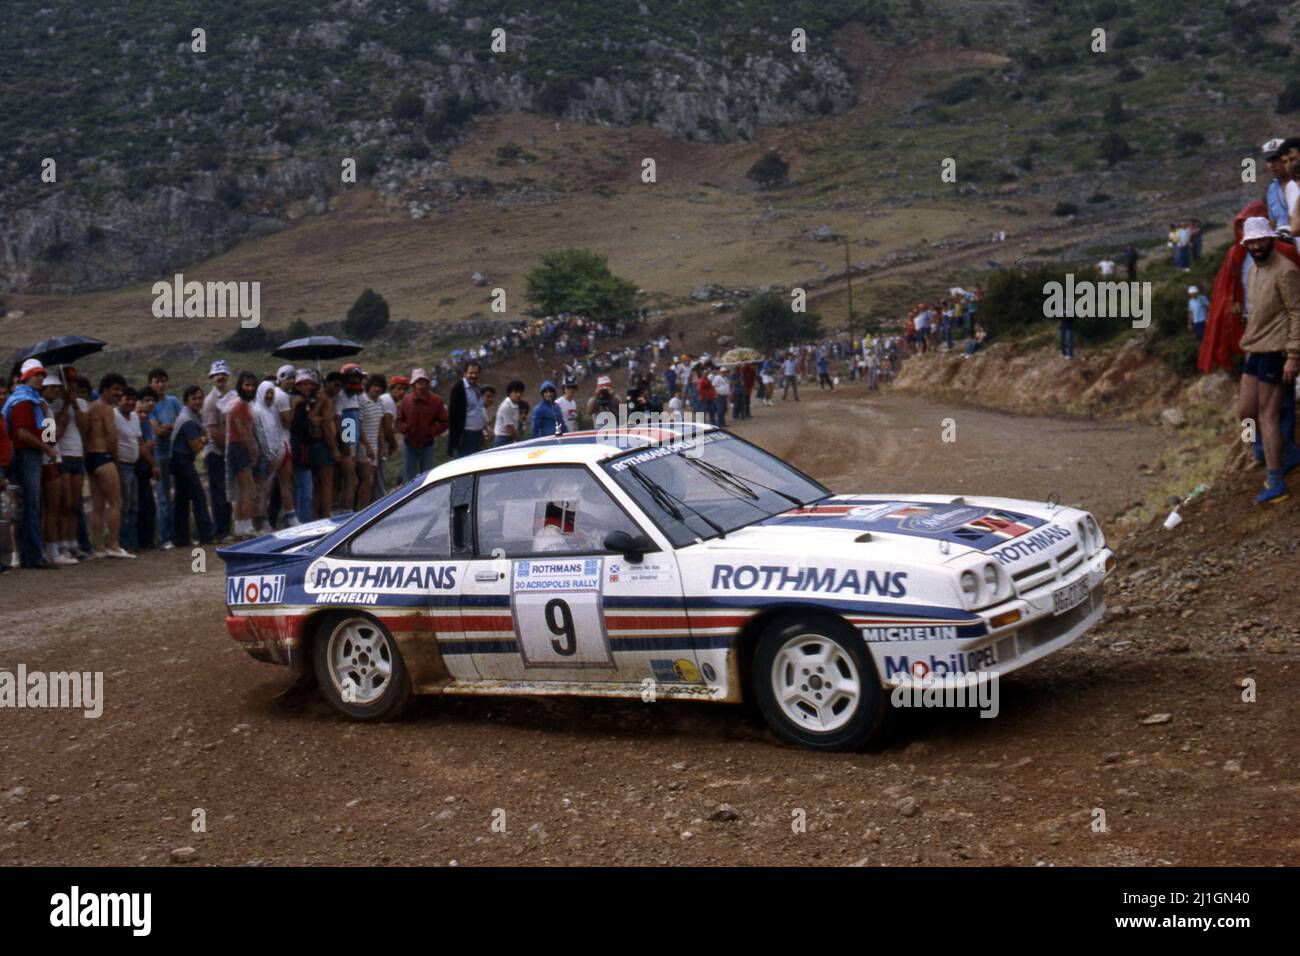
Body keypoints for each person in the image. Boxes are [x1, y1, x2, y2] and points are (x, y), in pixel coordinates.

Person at [1235, 217, 1300, 504]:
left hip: (1277, 351)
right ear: (1246, 244)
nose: (1258, 246)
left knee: (1267, 415)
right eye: (1252, 241)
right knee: (1245, 412)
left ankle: (1276, 481)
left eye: (1262, 240)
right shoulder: (1252, 269)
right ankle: (1280, 451)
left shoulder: (1285, 271)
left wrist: (1294, 355)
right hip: (1255, 348)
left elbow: (1298, 313)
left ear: (1271, 240)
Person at [2, 360, 58, 568]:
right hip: (28, 455)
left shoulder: (37, 402)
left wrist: (48, 440)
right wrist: (47, 448)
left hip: (34, 453)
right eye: (37, 375)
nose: (41, 379)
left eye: (42, 376)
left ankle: (30, 553)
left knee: (33, 505)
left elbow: (49, 433)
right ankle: (33, 555)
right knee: (32, 506)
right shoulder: (25, 402)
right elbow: (22, 433)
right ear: (26, 377)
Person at [85, 372, 132, 558]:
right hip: (103, 456)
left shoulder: (90, 407)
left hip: (90, 458)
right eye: (116, 389)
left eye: (121, 389)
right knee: (116, 502)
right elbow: (112, 436)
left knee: (97, 505)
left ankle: (98, 547)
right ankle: (113, 544)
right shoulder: (106, 408)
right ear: (105, 389)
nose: (119, 393)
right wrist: (115, 458)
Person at [46, 369, 90, 561]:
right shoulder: (53, 405)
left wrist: (74, 404)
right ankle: (60, 544)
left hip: (77, 455)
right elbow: (54, 433)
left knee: (74, 504)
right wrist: (64, 406)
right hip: (62, 455)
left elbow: (84, 427)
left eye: (74, 382)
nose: (71, 386)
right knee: (64, 504)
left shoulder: (80, 403)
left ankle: (73, 543)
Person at [170, 385, 214, 546]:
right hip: (181, 459)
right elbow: (197, 445)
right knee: (198, 495)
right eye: (194, 398)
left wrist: (202, 438)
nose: (198, 401)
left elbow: (203, 434)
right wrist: (203, 440)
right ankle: (206, 535)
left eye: (200, 398)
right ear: (186, 401)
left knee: (181, 498)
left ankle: (180, 538)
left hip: (181, 459)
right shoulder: (188, 419)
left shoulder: (194, 415)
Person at [147, 368, 182, 550]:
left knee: (179, 494)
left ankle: (177, 534)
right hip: (159, 453)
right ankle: (164, 537)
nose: (160, 385)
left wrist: (168, 427)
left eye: (162, 381)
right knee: (163, 496)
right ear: (150, 384)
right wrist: (170, 427)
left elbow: (183, 421)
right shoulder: (151, 405)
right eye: (156, 381)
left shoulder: (173, 401)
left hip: (175, 451)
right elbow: (157, 431)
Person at [396, 368, 448, 481]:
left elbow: (444, 422)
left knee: (427, 477)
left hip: (427, 444)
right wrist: (406, 428)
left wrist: (431, 431)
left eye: (422, 379)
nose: (420, 382)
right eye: (417, 380)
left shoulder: (436, 401)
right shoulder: (406, 400)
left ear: (427, 382)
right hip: (409, 444)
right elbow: (399, 421)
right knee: (409, 478)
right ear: (413, 383)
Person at [201, 360, 233, 541]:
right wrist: (226, 449)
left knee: (227, 492)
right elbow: (212, 430)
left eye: (223, 374)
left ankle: (225, 528)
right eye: (217, 375)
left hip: (228, 449)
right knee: (218, 492)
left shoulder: (229, 397)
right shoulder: (210, 401)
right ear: (212, 378)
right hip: (216, 452)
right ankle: (219, 531)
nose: (220, 377)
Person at [225, 371, 259, 538]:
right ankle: (245, 525)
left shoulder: (242, 404)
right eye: (247, 385)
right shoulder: (240, 405)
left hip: (236, 446)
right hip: (239, 446)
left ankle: (241, 526)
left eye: (252, 385)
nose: (250, 388)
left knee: (241, 488)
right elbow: (243, 430)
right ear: (240, 386)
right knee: (247, 487)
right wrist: (253, 449)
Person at [114, 386, 143, 552]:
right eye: (127, 399)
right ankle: (123, 542)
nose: (131, 403)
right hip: (122, 464)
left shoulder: (134, 416)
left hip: (133, 464)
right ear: (120, 400)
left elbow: (138, 440)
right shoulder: (114, 415)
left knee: (133, 505)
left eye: (133, 399)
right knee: (124, 505)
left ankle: (132, 542)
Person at [288, 369, 318, 520]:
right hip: (302, 446)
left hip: (305, 445)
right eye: (305, 384)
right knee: (305, 485)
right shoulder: (298, 402)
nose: (309, 387)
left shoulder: (305, 401)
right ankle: (304, 519)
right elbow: (297, 425)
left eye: (310, 384)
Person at [356, 374, 386, 507]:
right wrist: (367, 446)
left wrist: (381, 444)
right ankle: (361, 509)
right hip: (363, 445)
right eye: (374, 386)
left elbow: (379, 424)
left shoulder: (380, 402)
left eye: (379, 386)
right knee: (366, 480)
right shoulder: (361, 400)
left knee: (371, 480)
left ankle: (366, 507)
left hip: (374, 445)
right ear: (369, 386)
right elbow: (358, 424)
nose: (377, 389)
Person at [448, 360, 487, 457]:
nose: (473, 375)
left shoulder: (478, 389)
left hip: (478, 434)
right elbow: (453, 415)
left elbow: (479, 409)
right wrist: (456, 437)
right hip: (466, 435)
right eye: (471, 373)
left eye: (476, 373)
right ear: (465, 373)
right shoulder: (459, 388)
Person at [494, 380, 525, 446]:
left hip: (509, 437)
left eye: (520, 392)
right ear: (510, 392)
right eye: (516, 392)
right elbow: (509, 427)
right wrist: (518, 440)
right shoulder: (506, 405)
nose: (518, 395)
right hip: (502, 438)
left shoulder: (515, 404)